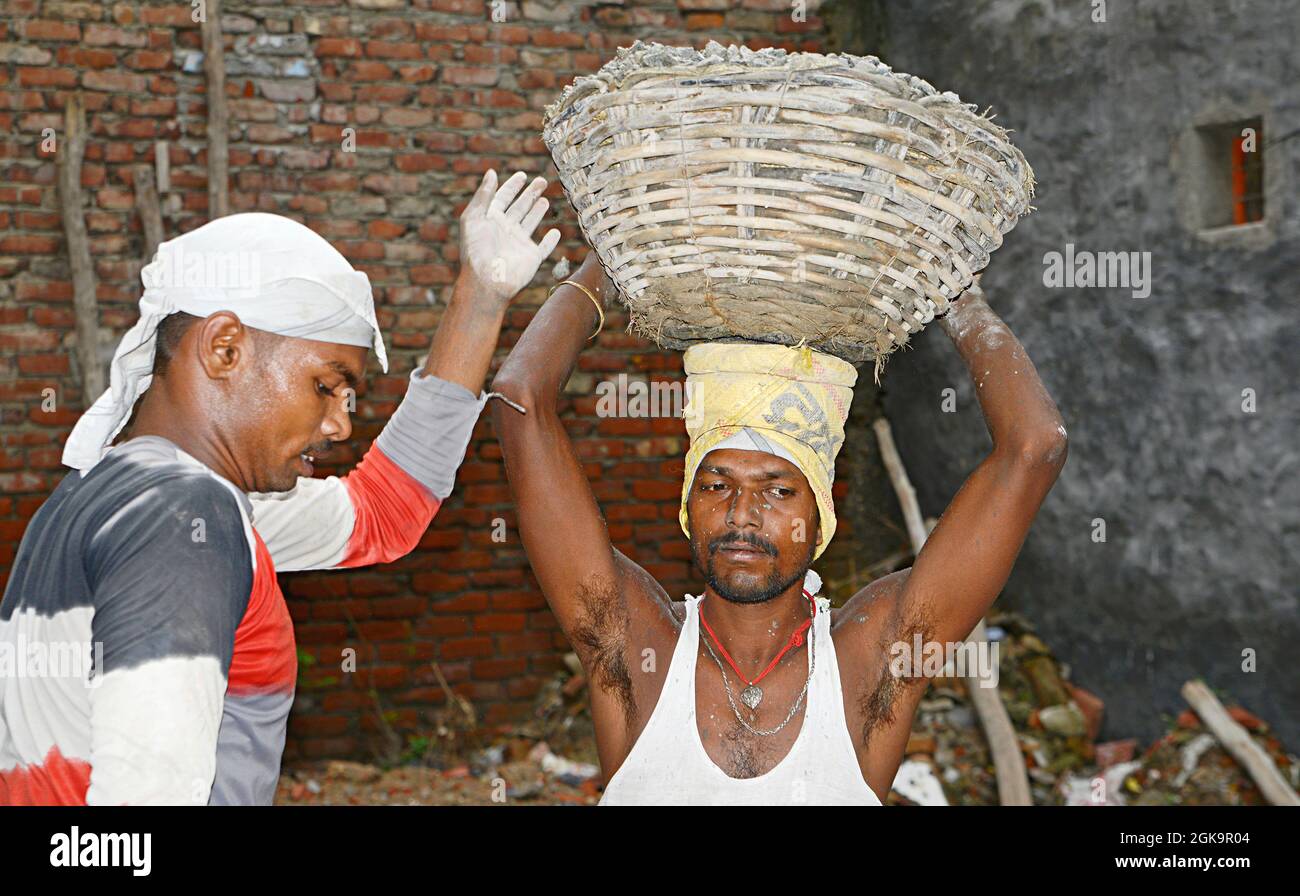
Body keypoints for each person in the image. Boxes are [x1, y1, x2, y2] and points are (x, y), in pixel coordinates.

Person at [0, 169, 559, 805]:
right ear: (225, 349)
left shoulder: (124, 497)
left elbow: (385, 513)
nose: (340, 424)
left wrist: (481, 297)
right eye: (326, 384)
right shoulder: (183, 518)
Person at [491, 254, 1068, 805]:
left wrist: (961, 299)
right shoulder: (636, 646)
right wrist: (606, 267)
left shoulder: (870, 663)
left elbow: (1035, 446)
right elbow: (518, 398)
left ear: (819, 519)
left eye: (777, 490)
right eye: (717, 486)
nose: (742, 514)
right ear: (688, 509)